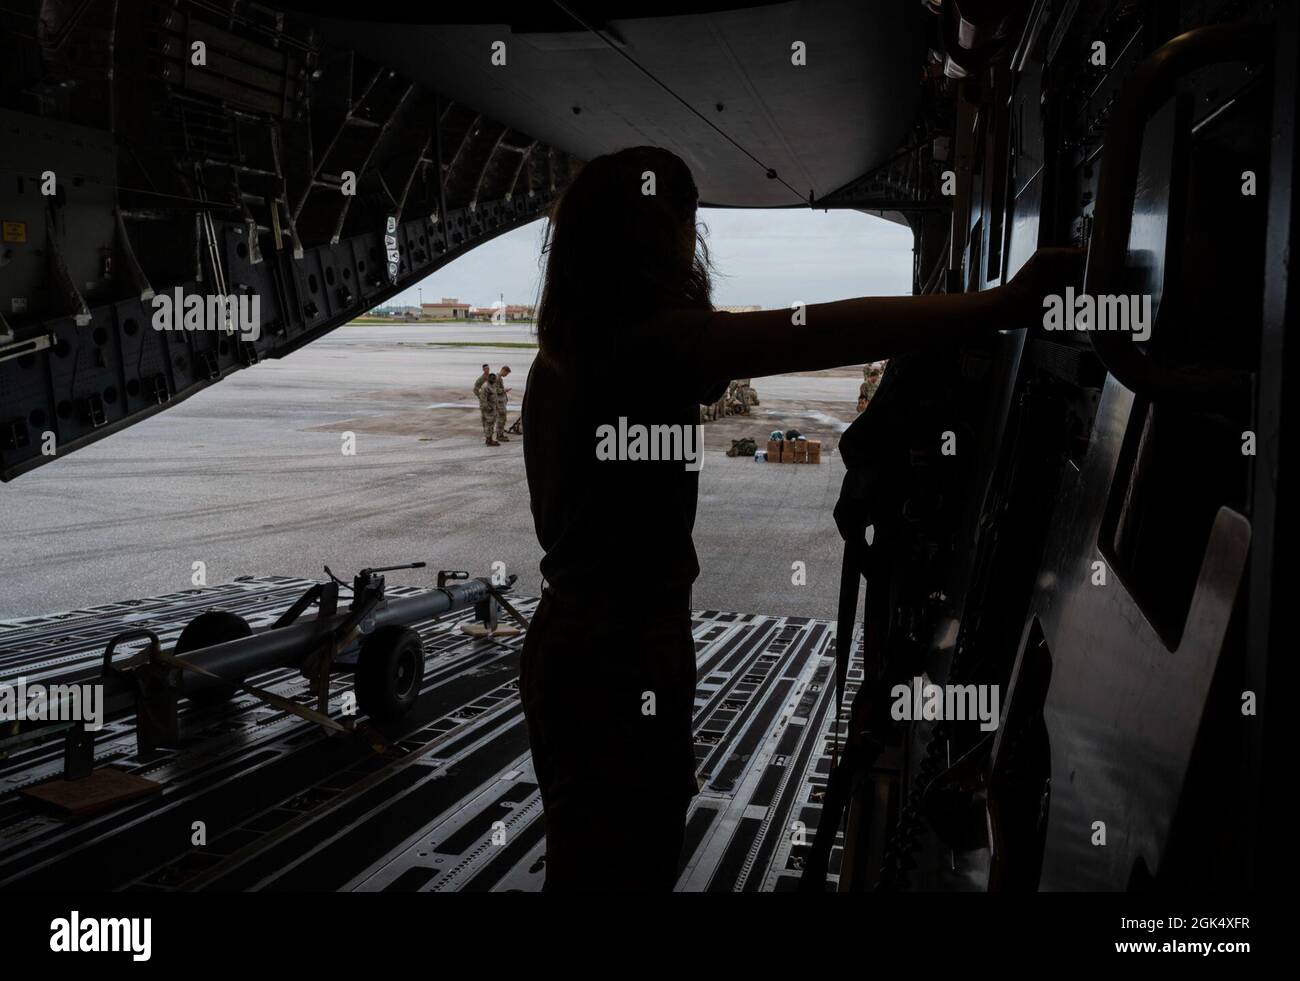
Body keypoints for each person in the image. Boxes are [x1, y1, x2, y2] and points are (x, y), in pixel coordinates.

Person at [519, 145, 1081, 892]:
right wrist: (1001, 306)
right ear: (651, 238)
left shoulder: (566, 354)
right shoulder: (646, 345)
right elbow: (811, 330)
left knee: (588, 861)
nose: (695, 243)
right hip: (623, 656)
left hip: (574, 646)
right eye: (685, 223)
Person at [479, 371, 500, 447]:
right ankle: (488, 440)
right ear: (489, 379)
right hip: (488, 409)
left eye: (494, 379)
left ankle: (490, 439)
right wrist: (488, 408)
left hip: (492, 408)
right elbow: (483, 399)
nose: (494, 380)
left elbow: (494, 397)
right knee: (488, 424)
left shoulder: (492, 385)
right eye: (493, 379)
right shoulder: (485, 387)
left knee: (491, 424)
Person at [493, 365, 512, 441]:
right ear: (503, 370)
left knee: (502, 419)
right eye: (506, 374)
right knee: (501, 419)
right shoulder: (497, 378)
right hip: (499, 403)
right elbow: (495, 390)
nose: (506, 375)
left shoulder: (498, 378)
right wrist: (504, 390)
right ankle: (499, 435)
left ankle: (500, 434)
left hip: (500, 402)